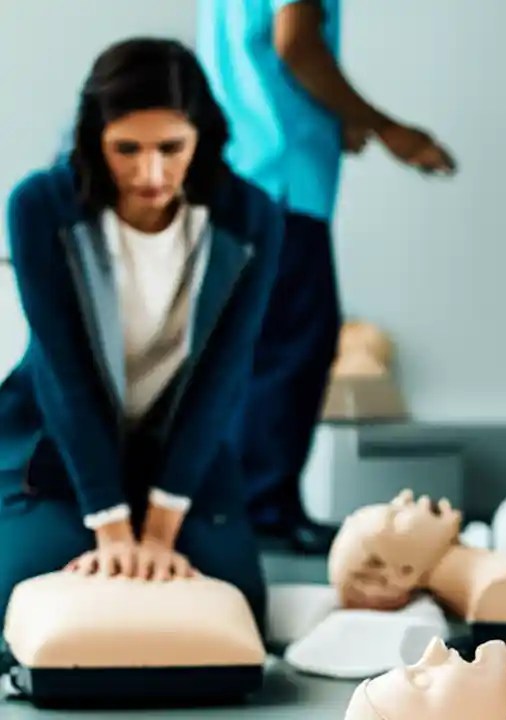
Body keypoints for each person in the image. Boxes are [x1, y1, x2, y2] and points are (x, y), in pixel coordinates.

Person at [0, 39, 283, 639]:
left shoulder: (252, 218)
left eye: (171, 148)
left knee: (236, 608)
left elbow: (224, 374)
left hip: (179, 452)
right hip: (54, 446)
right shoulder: (38, 207)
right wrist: (111, 530)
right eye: (126, 149)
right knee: (21, 602)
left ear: (201, 136)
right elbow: (63, 372)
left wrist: (156, 535)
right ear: (92, 140)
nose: (150, 173)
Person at [196, 0, 456, 554]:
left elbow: (260, 54)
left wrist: (339, 117)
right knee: (295, 346)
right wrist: (388, 128)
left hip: (240, 164)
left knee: (255, 347)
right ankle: (263, 512)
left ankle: (247, 507)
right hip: (279, 175)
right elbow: (296, 45)